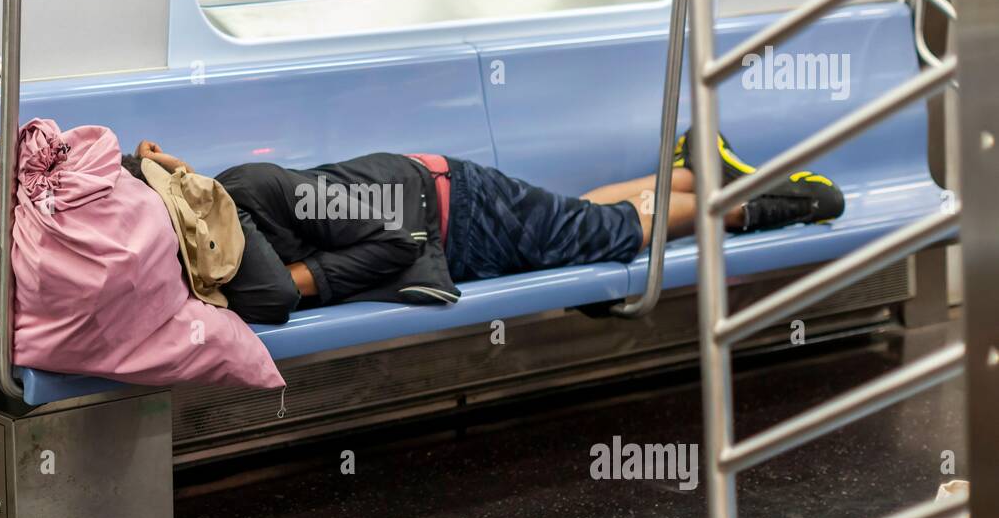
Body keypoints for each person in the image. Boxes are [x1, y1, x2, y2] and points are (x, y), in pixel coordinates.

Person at [121, 131, 844, 326]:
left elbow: (399, 240)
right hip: (452, 212)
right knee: (576, 219)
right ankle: (687, 174)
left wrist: (307, 285)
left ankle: (755, 202)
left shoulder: (261, 194)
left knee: (613, 232)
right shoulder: (227, 215)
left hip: (453, 208)